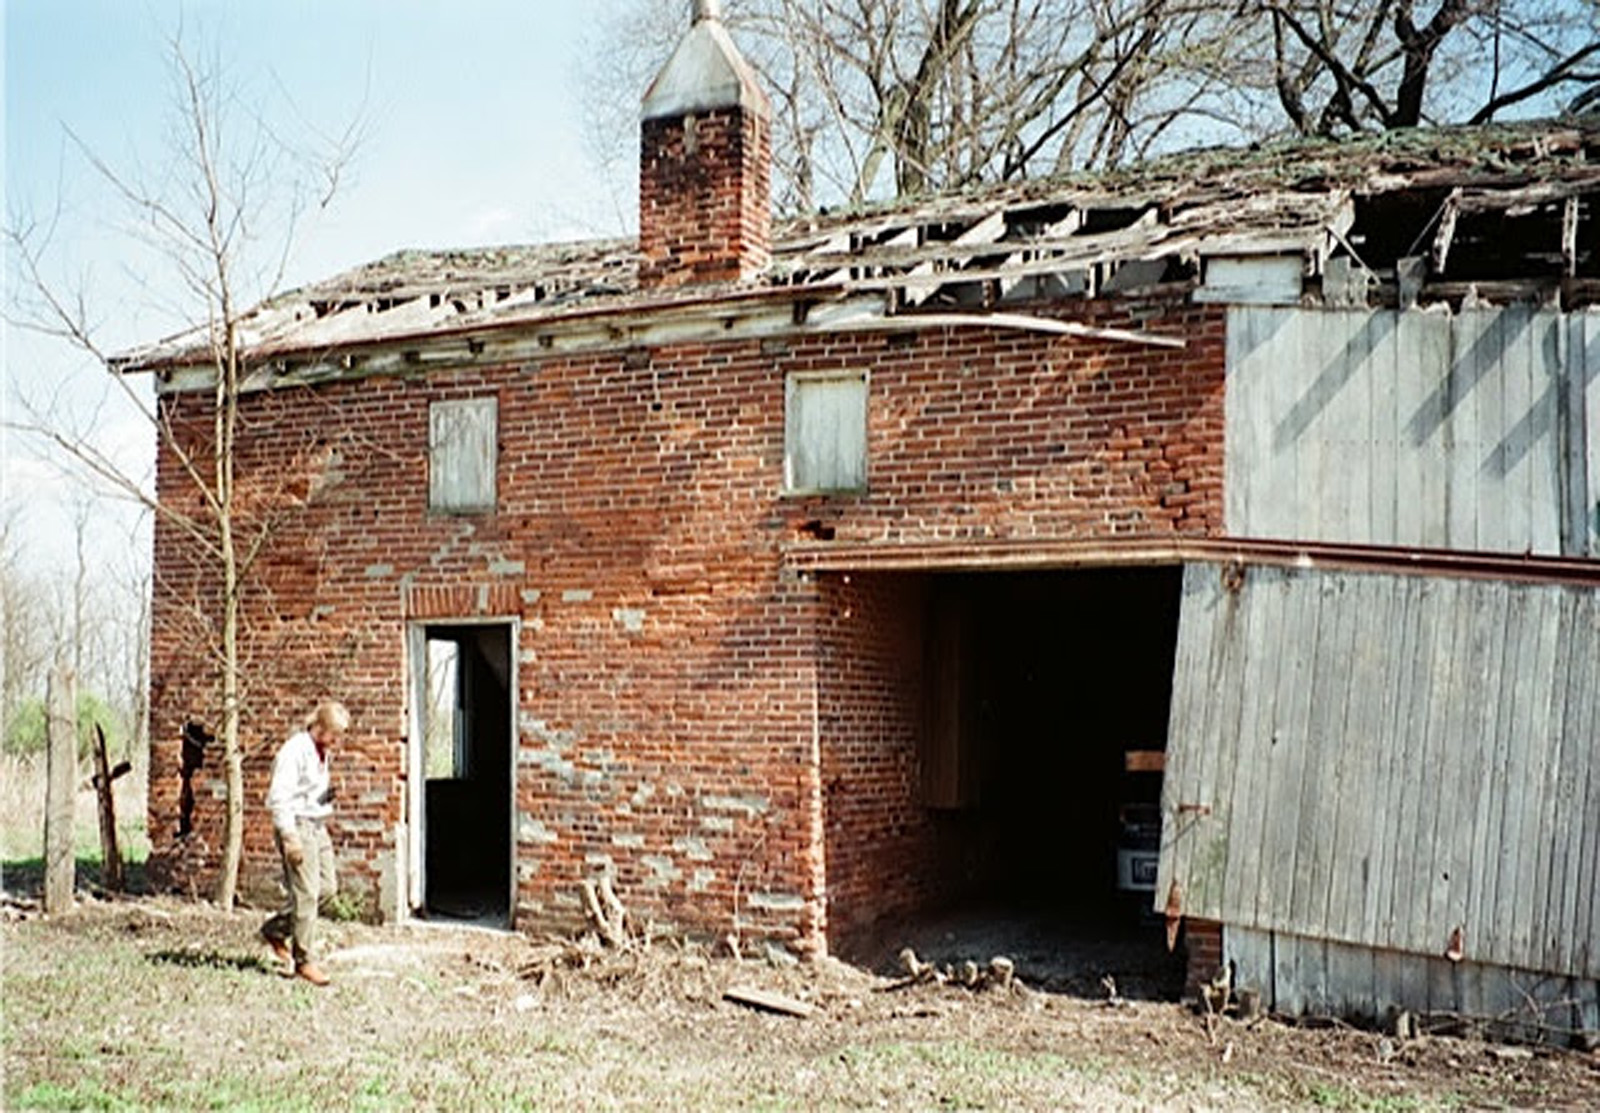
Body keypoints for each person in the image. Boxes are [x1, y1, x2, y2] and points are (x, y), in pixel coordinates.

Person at [260, 699, 349, 986]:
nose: (338, 741)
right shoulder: (294, 750)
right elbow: (279, 797)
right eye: (335, 734)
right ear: (320, 727)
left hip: (317, 825)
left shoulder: (322, 752)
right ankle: (304, 961)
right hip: (298, 827)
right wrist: (289, 838)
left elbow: (309, 794)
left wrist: (329, 796)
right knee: (306, 894)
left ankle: (276, 929)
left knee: (326, 889)